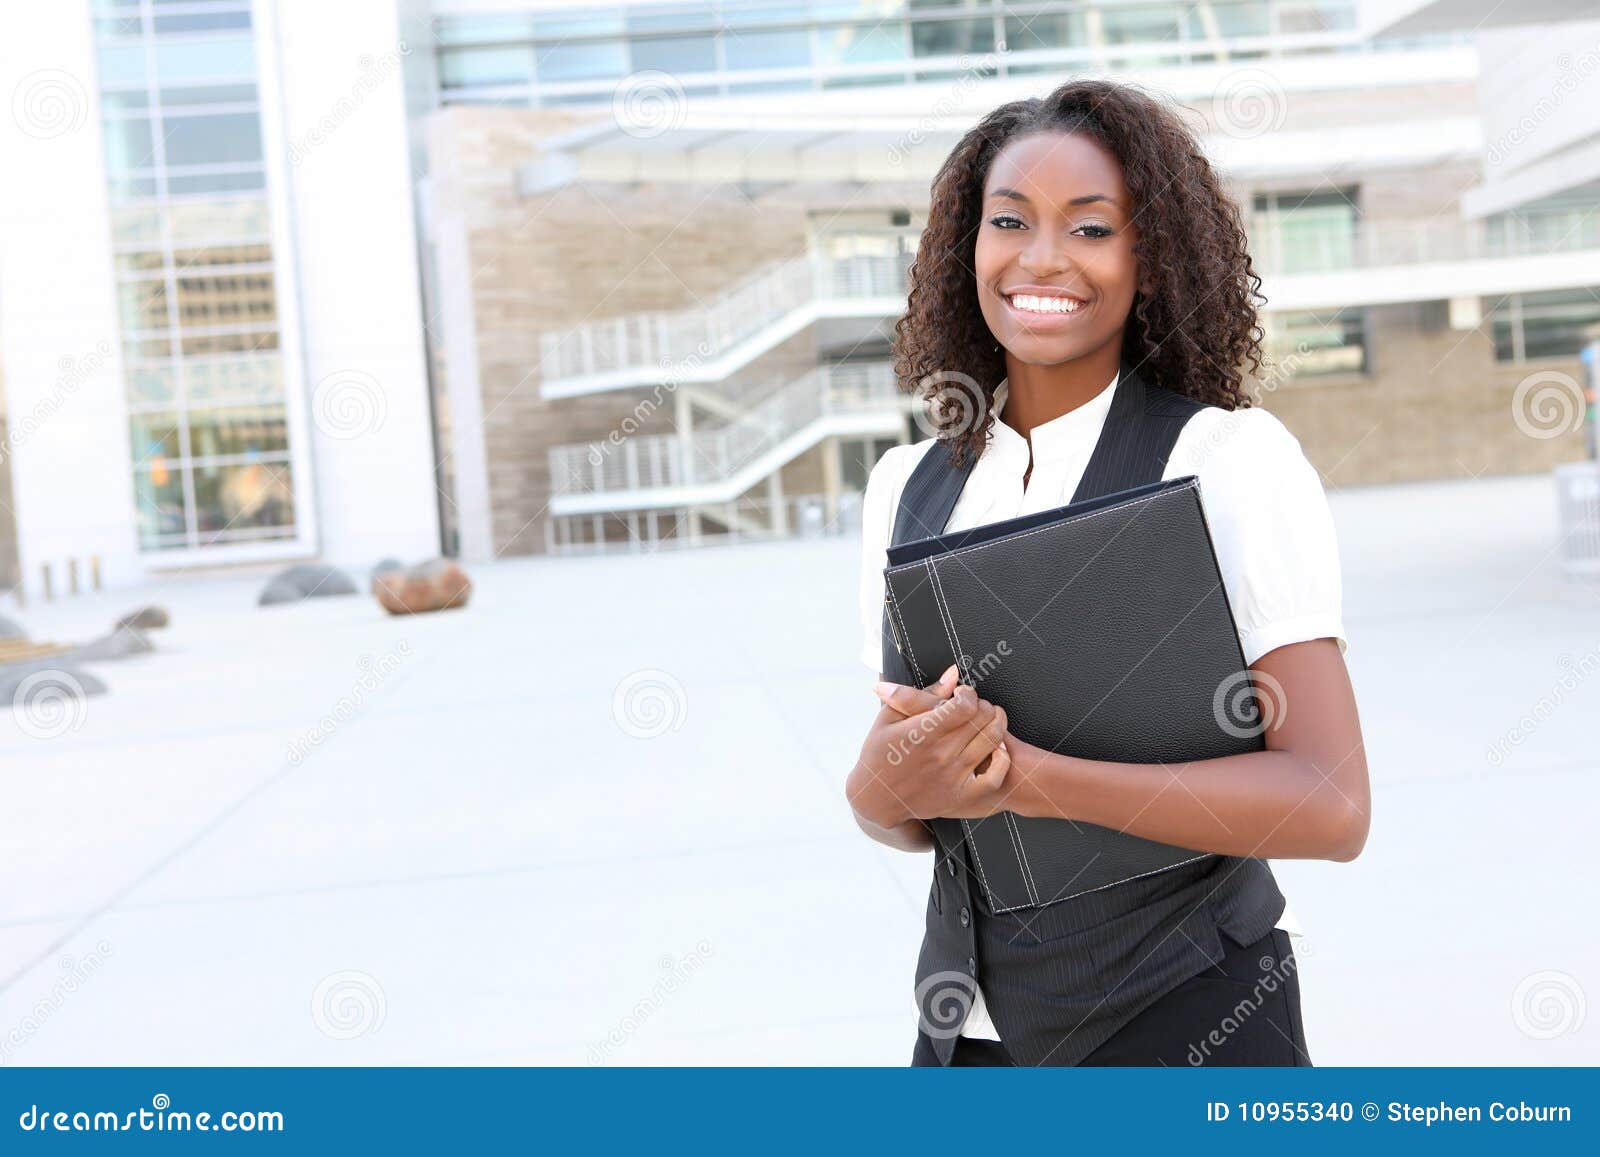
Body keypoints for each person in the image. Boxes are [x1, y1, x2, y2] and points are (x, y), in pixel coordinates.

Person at [845, 78, 1369, 1067]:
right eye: (1009, 221)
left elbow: (1331, 802)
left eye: (1091, 228)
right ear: (969, 245)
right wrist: (879, 782)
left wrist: (1037, 782)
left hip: (1183, 1021)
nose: (1041, 257)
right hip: (967, 1039)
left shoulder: (1224, 461)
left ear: (1151, 259)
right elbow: (903, 811)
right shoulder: (904, 487)